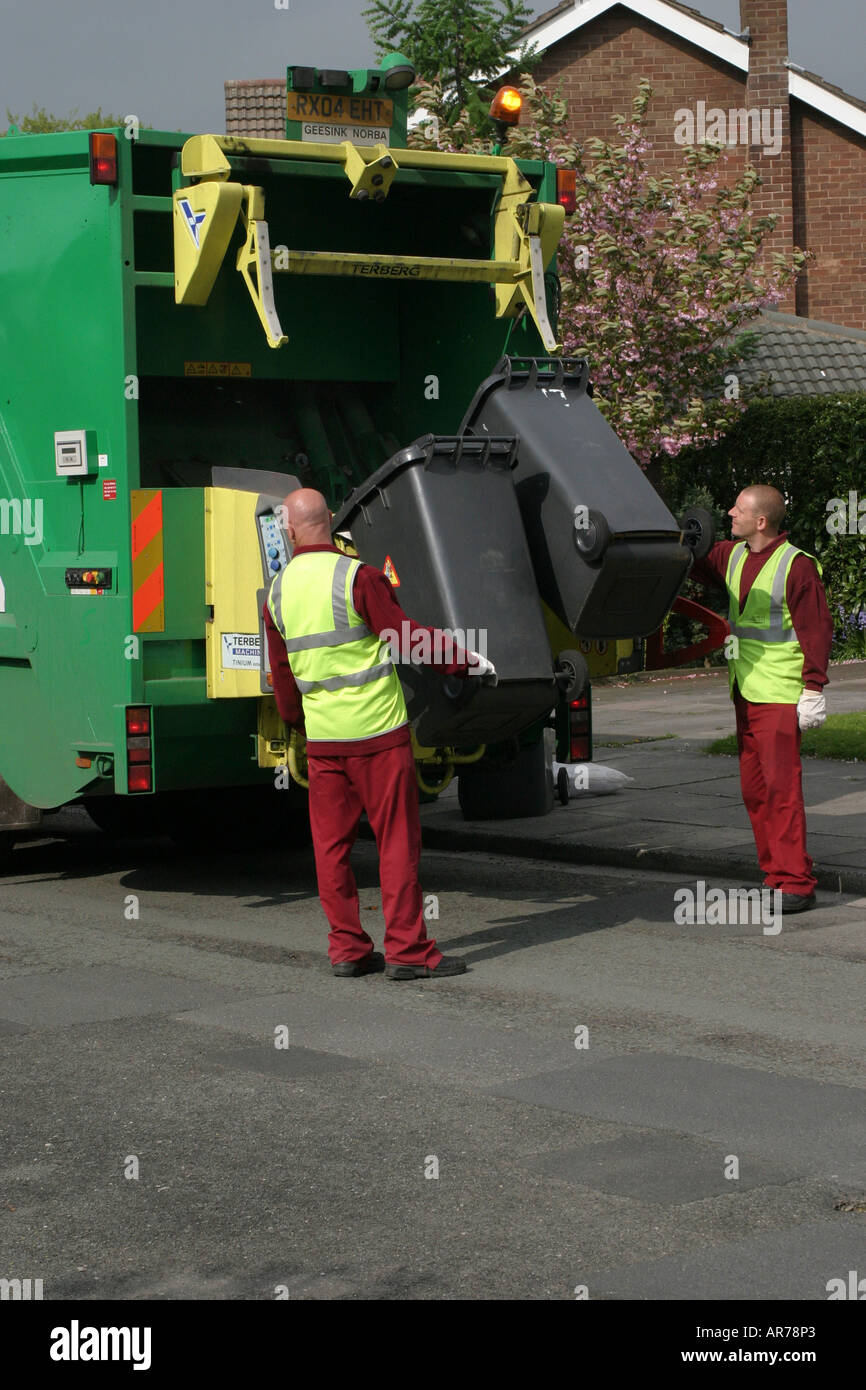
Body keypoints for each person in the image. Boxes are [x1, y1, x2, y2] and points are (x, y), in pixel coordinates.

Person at [262, 488, 492, 978]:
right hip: (379, 736)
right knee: (395, 843)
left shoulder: (278, 592)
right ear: (331, 522)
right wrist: (463, 662)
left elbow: (281, 677)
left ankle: (347, 951)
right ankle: (408, 954)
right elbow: (405, 636)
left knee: (331, 849)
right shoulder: (358, 577)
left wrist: (298, 724)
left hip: (324, 743)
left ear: (291, 529)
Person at [690, 485, 833, 912]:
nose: (729, 513)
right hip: (744, 689)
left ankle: (796, 883)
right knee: (755, 790)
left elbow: (816, 630)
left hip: (779, 693)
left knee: (780, 789)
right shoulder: (732, 555)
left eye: (738, 509)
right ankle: (775, 876)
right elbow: (693, 556)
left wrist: (813, 689)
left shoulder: (797, 566)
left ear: (761, 521)